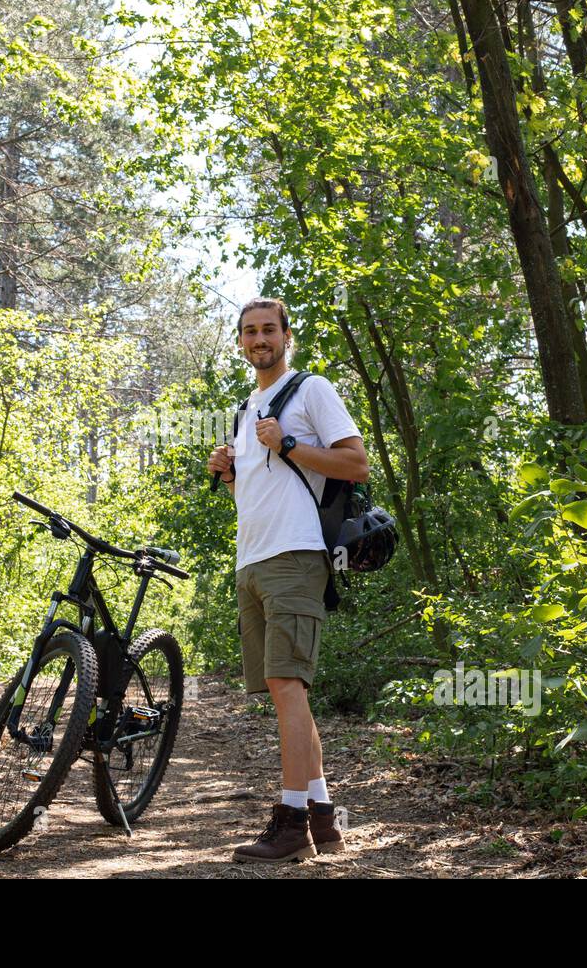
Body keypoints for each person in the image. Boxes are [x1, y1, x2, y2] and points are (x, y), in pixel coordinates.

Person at [206, 296, 369, 863]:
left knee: (288, 688)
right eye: (250, 332)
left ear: (286, 335)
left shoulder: (311, 389)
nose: (259, 340)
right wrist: (231, 476)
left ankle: (290, 823)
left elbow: (356, 464)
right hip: (251, 561)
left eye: (268, 330)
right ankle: (323, 821)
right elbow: (260, 494)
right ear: (240, 341)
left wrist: (292, 444)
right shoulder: (243, 408)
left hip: (296, 558)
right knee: (285, 693)